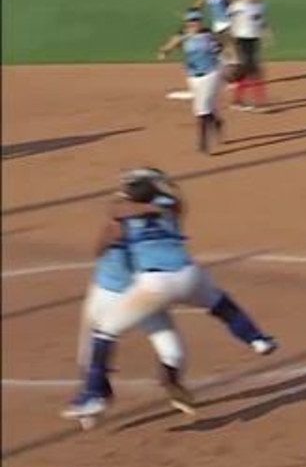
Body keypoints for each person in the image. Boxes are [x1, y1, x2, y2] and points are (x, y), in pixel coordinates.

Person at [62, 168, 277, 426]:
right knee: (220, 306)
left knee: (149, 348)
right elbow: (162, 204)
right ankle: (257, 339)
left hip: (150, 291)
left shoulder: (128, 215)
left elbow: (117, 213)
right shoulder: (161, 210)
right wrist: (158, 194)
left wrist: (136, 210)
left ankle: (142, 388)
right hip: (137, 286)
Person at [158, 9, 225, 154]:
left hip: (211, 74)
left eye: (197, 20)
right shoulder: (183, 36)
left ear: (201, 21)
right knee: (206, 107)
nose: (194, 23)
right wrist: (164, 51)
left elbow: (221, 45)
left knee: (201, 109)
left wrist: (219, 48)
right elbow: (169, 46)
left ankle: (203, 144)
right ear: (187, 22)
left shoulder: (208, 34)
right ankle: (217, 122)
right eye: (191, 20)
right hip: (193, 76)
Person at [228, 0, 273, 111]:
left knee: (248, 71)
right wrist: (231, 45)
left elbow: (261, 21)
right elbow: (231, 24)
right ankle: (260, 103)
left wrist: (266, 33)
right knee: (255, 70)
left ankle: (237, 101)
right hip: (241, 41)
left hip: (254, 40)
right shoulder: (237, 6)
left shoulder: (260, 5)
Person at [193, 0, 235, 65]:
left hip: (227, 23)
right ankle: (227, 69)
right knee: (218, 49)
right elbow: (198, 5)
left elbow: (234, 4)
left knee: (229, 47)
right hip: (216, 25)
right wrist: (191, 13)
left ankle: (235, 69)